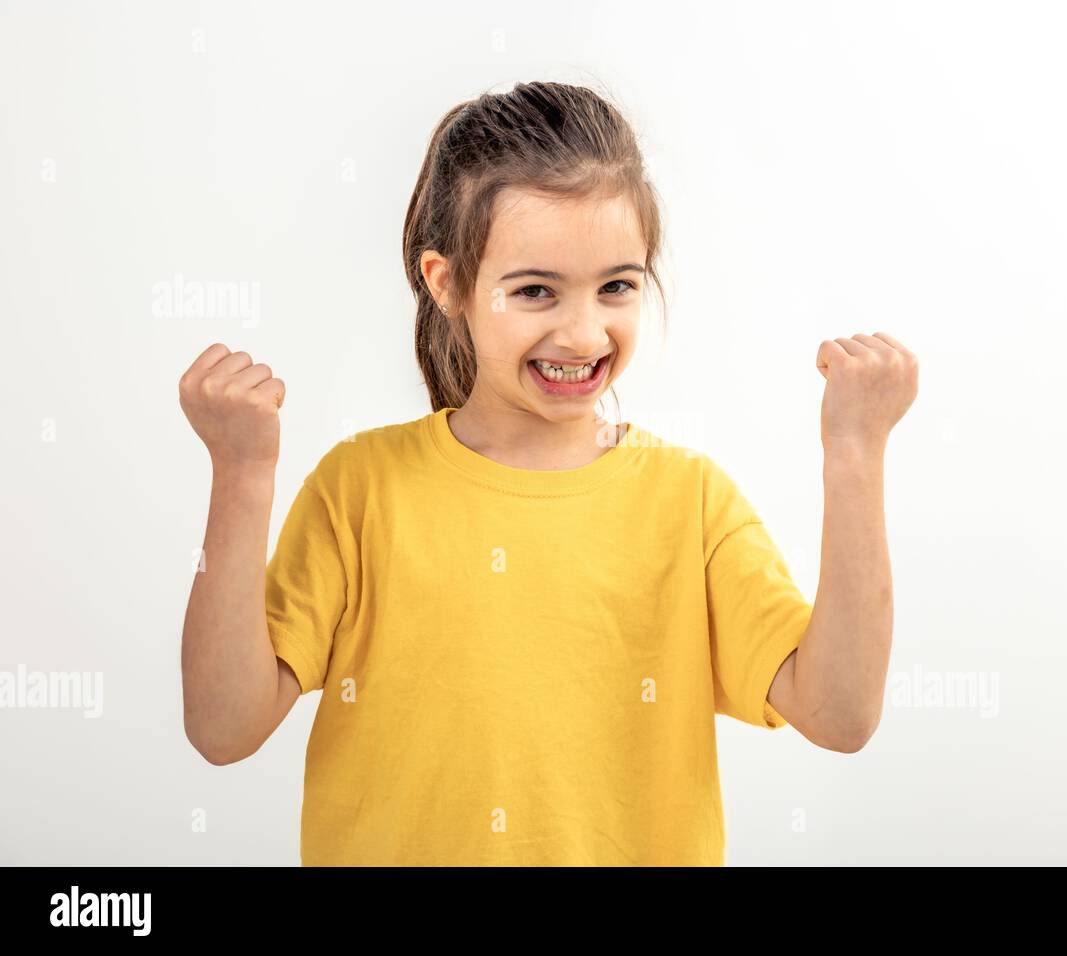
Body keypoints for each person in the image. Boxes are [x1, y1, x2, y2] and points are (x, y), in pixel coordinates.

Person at [177, 80, 918, 866]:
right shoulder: (360, 490)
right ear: (448, 283)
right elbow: (224, 728)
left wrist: (855, 452)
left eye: (617, 287)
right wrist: (242, 473)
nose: (583, 331)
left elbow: (840, 715)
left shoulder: (689, 501)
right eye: (535, 290)